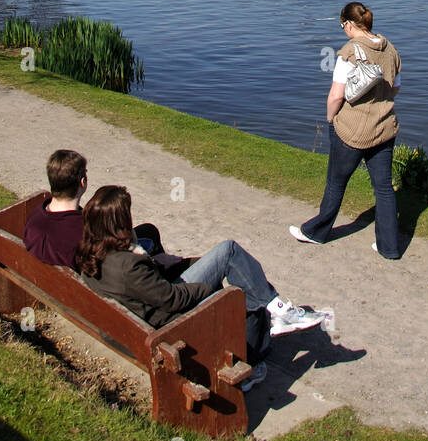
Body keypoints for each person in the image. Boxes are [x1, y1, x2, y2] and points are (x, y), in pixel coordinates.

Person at [76, 186, 326, 390]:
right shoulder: (127, 265)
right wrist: (211, 289)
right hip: (167, 324)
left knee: (233, 275)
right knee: (231, 258)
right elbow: (172, 299)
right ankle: (272, 322)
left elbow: (147, 288)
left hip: (141, 322)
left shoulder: (92, 254)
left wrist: (193, 266)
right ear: (120, 224)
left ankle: (272, 312)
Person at [290, 1, 402, 259]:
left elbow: (335, 96)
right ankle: (389, 247)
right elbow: (395, 88)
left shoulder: (349, 52)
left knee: (335, 183)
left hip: (352, 131)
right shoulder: (391, 50)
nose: (343, 31)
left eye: (343, 26)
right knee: (383, 188)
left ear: (350, 25)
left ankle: (315, 232)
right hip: (384, 129)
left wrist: (331, 119)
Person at [22, 150, 170, 272]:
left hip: (57, 282)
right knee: (150, 236)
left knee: (148, 231)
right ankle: (160, 274)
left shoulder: (36, 217)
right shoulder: (86, 231)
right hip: (93, 287)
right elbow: (112, 261)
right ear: (82, 182)